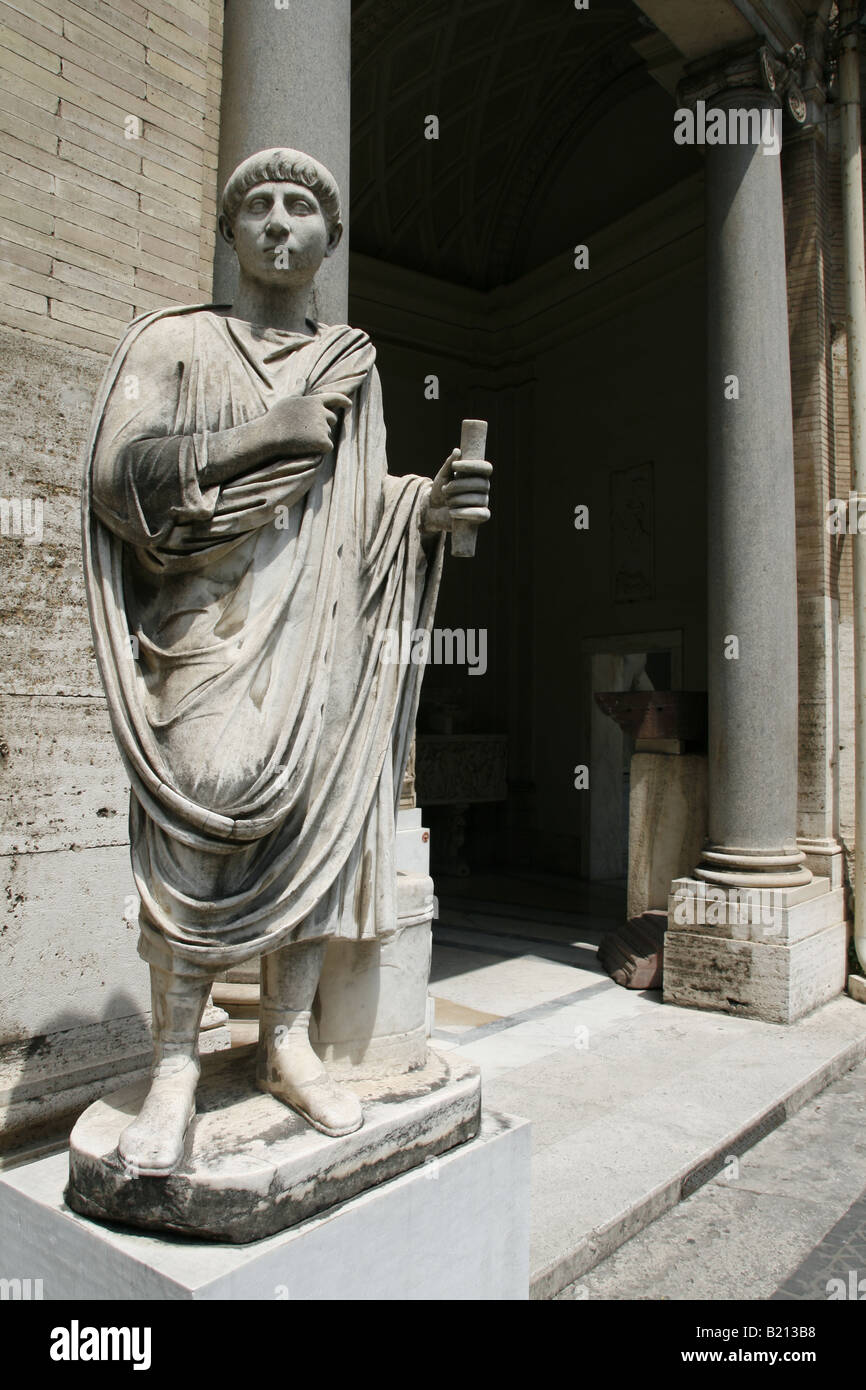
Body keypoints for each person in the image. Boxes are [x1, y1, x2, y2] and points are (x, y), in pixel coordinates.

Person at [82, 148, 491, 1175]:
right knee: (205, 803)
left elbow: (358, 506)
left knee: (317, 813)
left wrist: (424, 506)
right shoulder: (178, 342)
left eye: (299, 206)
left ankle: (285, 1040)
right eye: (256, 206)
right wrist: (254, 434)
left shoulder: (351, 359)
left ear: (327, 238)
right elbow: (112, 475)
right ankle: (174, 1059)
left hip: (322, 635)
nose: (276, 221)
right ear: (230, 233)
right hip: (209, 626)